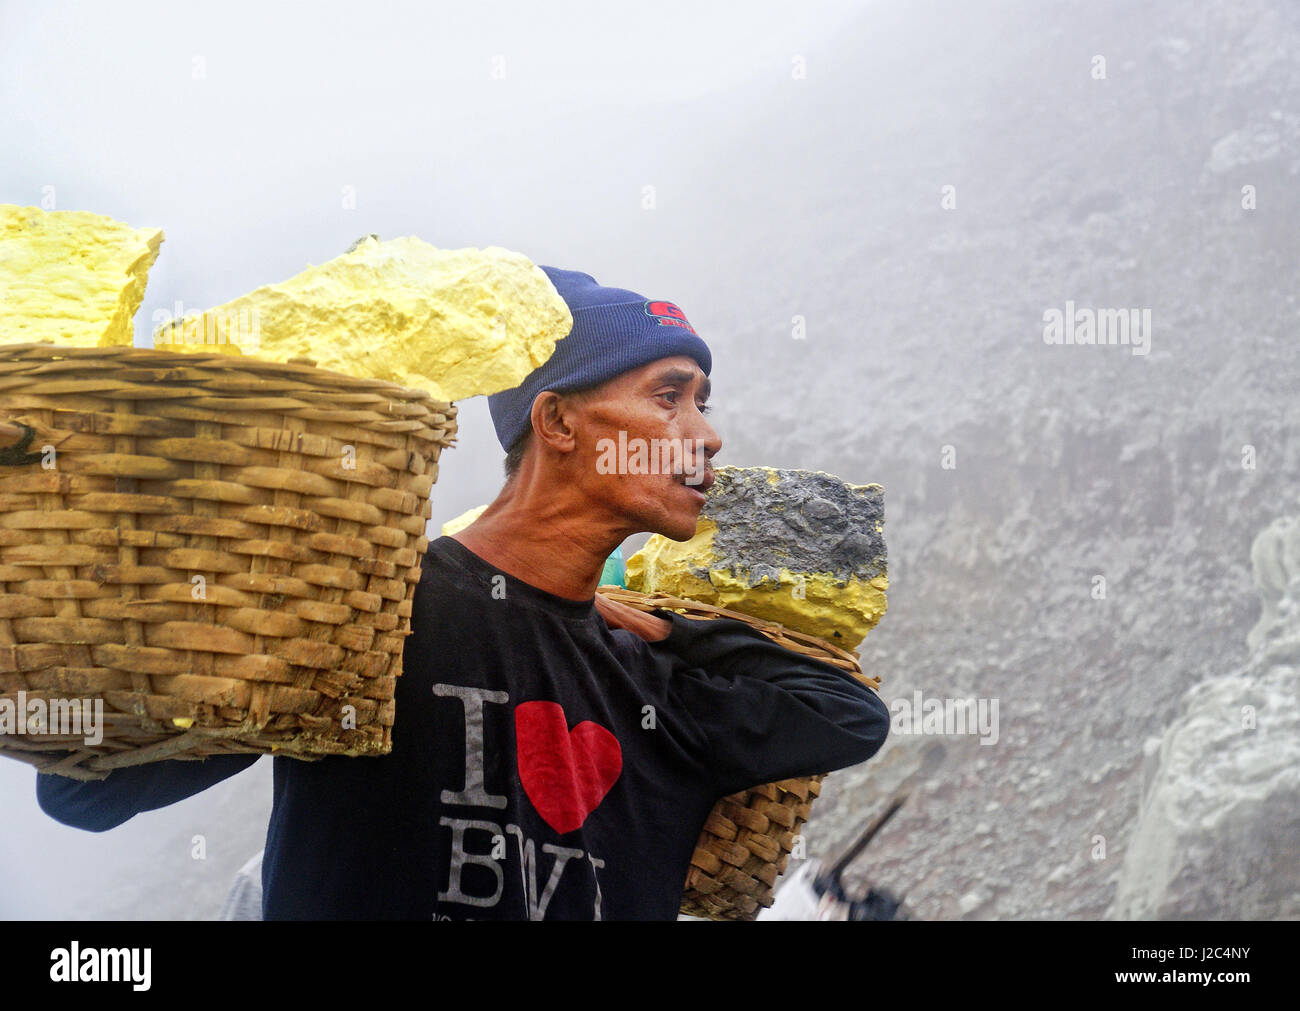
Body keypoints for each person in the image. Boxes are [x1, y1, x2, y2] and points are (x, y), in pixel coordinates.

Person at [36, 266, 890, 920]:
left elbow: (849, 713)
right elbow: (85, 790)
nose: (705, 435)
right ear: (555, 422)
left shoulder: (651, 677)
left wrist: (674, 631)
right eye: (668, 397)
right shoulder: (379, 614)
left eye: (702, 401)